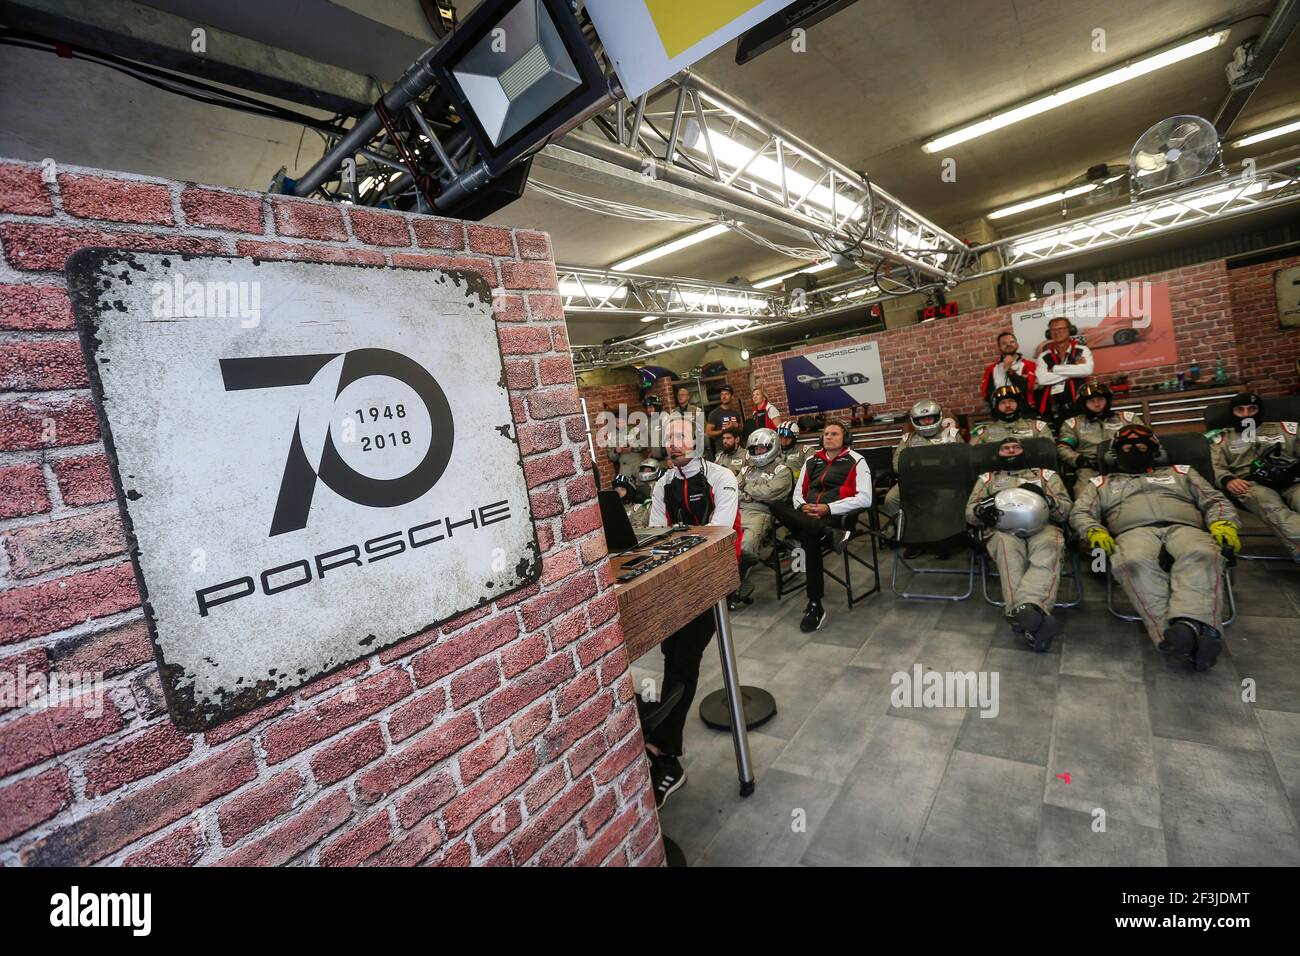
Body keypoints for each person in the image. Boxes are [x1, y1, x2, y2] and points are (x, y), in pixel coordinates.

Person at [1070, 425, 1241, 670]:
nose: (1134, 451)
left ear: (1155, 451)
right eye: (1127, 448)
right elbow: (1081, 512)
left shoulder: (1182, 472)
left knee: (1202, 554)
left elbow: (1215, 501)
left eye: (1141, 447)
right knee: (1131, 563)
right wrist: (1093, 530)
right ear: (1115, 455)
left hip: (1185, 527)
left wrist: (1223, 523)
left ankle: (1181, 631)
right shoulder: (1101, 482)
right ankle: (1196, 630)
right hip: (1133, 532)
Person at [644, 415, 740, 806]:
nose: (673, 443)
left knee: (683, 656)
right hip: (674, 579)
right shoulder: (661, 485)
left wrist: (677, 544)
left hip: (712, 578)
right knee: (671, 653)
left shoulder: (722, 478)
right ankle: (660, 737)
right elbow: (654, 534)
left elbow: (718, 533)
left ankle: (667, 757)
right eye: (668, 438)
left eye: (681, 437)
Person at [967, 438, 1071, 651]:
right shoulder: (987, 479)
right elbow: (969, 514)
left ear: (1024, 451)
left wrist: (1050, 502)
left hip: (1043, 526)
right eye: (1005, 448)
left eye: (1016, 447)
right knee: (1009, 552)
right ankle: (1032, 619)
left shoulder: (1046, 475)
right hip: (1002, 530)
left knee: (1050, 546)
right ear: (999, 454)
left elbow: (1065, 511)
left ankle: (1024, 614)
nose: (1011, 450)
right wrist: (981, 510)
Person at [770, 421, 872, 632]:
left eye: (834, 434)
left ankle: (815, 604)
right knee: (775, 505)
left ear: (846, 438)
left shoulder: (857, 461)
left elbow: (866, 499)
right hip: (810, 516)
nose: (828, 437)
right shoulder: (811, 460)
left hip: (836, 518)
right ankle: (828, 535)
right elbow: (798, 494)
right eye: (826, 434)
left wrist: (828, 508)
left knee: (808, 537)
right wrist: (804, 506)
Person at [1209, 391, 1300, 561]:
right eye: (1240, 410)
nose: (1246, 415)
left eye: (1252, 409)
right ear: (1232, 413)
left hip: (1292, 480)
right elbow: (1215, 467)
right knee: (1273, 507)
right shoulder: (1221, 438)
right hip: (1250, 484)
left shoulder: (1288, 429)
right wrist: (1228, 480)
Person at [880, 399, 962, 551]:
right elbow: (897, 464)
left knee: (944, 501)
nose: (926, 421)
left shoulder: (951, 435)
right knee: (891, 500)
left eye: (930, 418)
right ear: (915, 420)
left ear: (938, 417)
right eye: (922, 419)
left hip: (945, 481)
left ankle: (947, 537)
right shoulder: (908, 439)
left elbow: (961, 459)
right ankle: (907, 534)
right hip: (913, 482)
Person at [1056, 382, 1143, 494]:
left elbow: (1146, 440)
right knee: (1084, 499)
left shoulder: (1127, 418)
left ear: (1107, 400)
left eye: (1100, 399)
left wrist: (1130, 454)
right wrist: (1080, 460)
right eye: (1091, 401)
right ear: (1083, 403)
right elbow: (1063, 448)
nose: (1097, 404)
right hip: (1090, 469)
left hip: (1126, 465)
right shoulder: (1073, 424)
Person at [736, 427, 793, 566]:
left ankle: (739, 581)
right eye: (755, 449)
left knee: (746, 544)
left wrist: (747, 488)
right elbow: (733, 491)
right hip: (737, 511)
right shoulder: (746, 469)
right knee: (719, 541)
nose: (757, 452)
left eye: (761, 448)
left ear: (772, 447)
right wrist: (750, 494)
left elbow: (769, 494)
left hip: (761, 513)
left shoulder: (782, 471)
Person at [1034, 317, 1094, 428]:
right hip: (1057, 411)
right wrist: (1074, 370)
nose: (1057, 332)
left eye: (1061, 328)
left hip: (1082, 407)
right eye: (1053, 330)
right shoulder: (1044, 356)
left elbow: (1086, 370)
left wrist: (1055, 369)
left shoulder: (1082, 350)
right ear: (1049, 333)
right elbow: (1042, 379)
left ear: (1070, 330)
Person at [970, 384, 1052, 445]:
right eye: (1003, 403)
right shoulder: (982, 432)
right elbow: (973, 458)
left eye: (1011, 401)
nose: (1007, 405)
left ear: (1019, 404)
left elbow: (1049, 453)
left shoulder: (1038, 427)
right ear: (996, 407)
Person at [980, 331, 1037, 410]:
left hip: (1024, 411)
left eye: (1011, 342)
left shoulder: (1030, 365)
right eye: (1004, 343)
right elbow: (986, 394)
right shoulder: (991, 369)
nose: (1008, 344)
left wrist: (1009, 369)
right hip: (1000, 412)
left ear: (1017, 345)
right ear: (999, 348)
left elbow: (1027, 387)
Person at [706, 385, 744, 457]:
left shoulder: (735, 413)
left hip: (737, 449)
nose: (724, 396)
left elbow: (741, 429)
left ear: (732, 396)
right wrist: (724, 430)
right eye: (722, 394)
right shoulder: (714, 413)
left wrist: (737, 425)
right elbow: (708, 433)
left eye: (726, 394)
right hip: (722, 450)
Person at [606, 406, 642, 480]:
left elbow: (643, 445)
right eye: (617, 423)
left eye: (622, 422)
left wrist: (633, 447)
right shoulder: (611, 435)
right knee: (626, 488)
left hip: (638, 463)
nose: (620, 425)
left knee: (642, 485)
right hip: (624, 467)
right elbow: (611, 456)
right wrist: (616, 451)